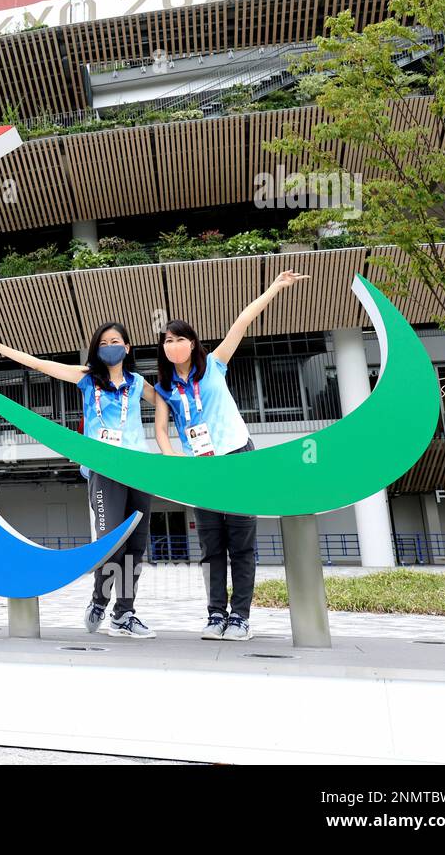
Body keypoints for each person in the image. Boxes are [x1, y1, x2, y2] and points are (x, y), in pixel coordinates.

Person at [0, 323, 165, 638]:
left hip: (138, 470)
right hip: (104, 471)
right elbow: (39, 364)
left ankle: (125, 614)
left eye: (116, 341)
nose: (110, 346)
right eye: (104, 342)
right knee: (111, 544)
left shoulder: (138, 382)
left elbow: (167, 403)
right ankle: (99, 600)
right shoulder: (88, 378)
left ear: (127, 348)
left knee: (135, 548)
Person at [154, 270, 310, 641]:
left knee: (241, 544)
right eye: (167, 341)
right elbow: (161, 429)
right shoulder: (164, 387)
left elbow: (242, 320)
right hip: (202, 471)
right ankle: (215, 615)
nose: (172, 345)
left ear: (193, 343)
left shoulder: (216, 366)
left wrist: (274, 287)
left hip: (239, 459)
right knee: (211, 547)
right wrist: (174, 459)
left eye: (179, 339)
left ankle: (239, 617)